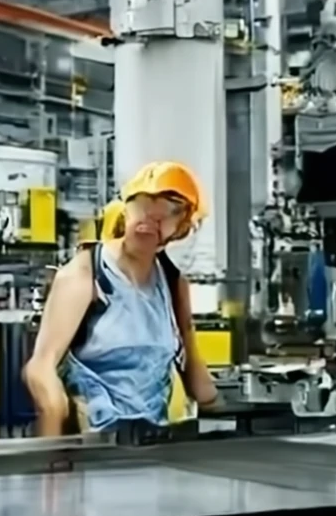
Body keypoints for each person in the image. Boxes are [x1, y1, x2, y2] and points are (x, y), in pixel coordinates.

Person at [24, 160, 220, 435]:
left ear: (181, 227)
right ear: (126, 209)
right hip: (92, 448)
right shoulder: (85, 274)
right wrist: (53, 444)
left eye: (168, 213)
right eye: (143, 207)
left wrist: (232, 416)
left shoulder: (173, 283)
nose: (151, 219)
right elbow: (40, 367)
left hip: (151, 447)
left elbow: (193, 373)